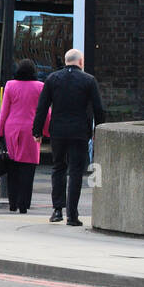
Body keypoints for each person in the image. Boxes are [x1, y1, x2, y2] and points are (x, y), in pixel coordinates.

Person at [32, 47, 106, 227]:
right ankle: (72, 215)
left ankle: (57, 210)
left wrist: (37, 131)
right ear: (80, 62)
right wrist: (99, 131)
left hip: (58, 131)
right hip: (80, 132)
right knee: (75, 172)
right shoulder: (89, 80)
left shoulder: (52, 79)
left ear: (65, 61)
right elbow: (98, 109)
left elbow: (42, 107)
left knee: (58, 168)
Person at [0, 59, 49, 214]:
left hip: (11, 129)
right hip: (31, 131)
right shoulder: (40, 87)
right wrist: (46, 131)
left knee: (12, 168)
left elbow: (4, 111)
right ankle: (24, 204)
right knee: (28, 169)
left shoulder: (10, 85)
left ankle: (12, 203)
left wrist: (0, 133)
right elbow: (44, 112)